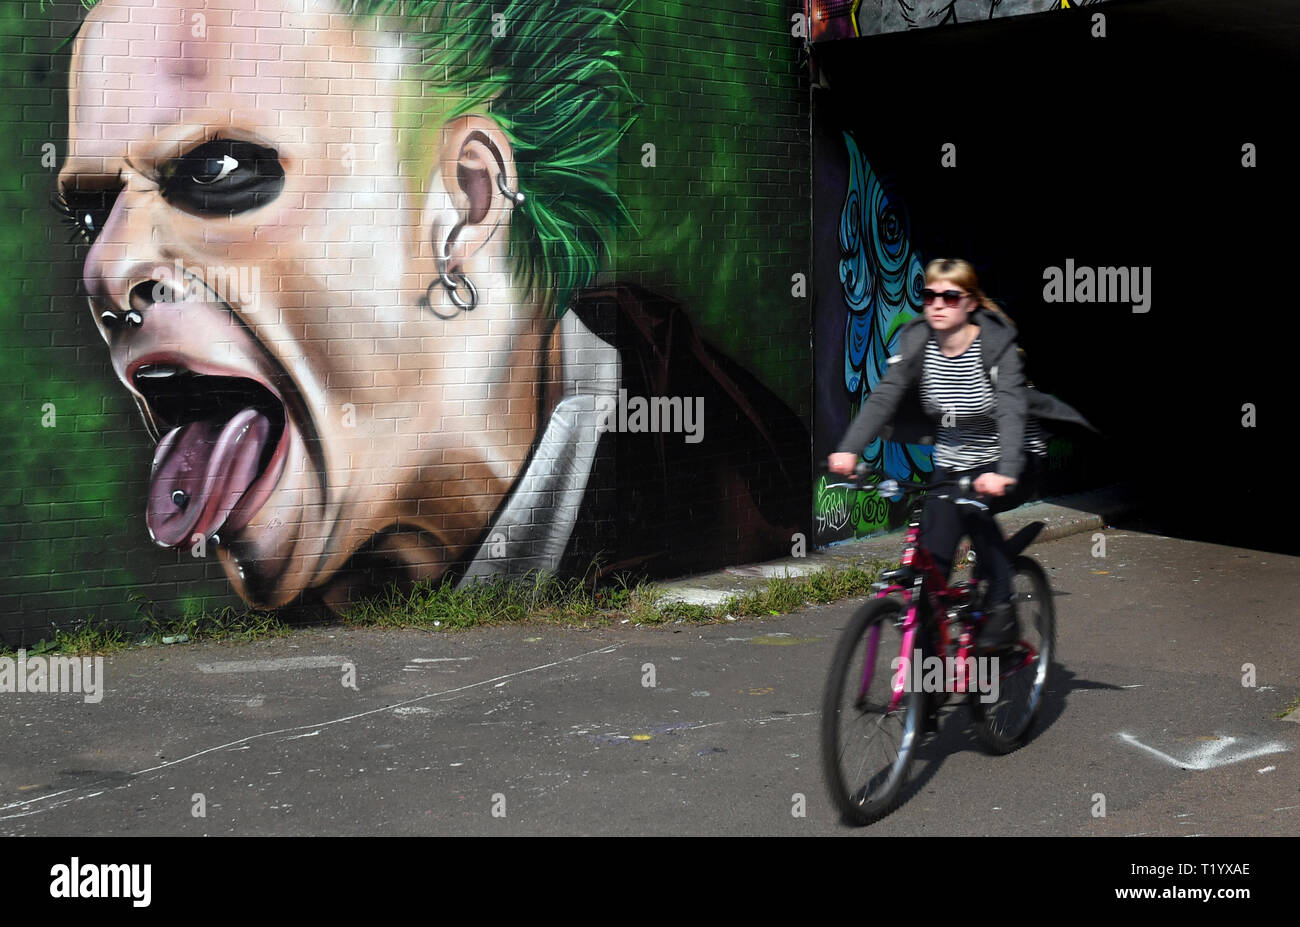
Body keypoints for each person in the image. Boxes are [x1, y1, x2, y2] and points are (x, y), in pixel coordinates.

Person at [52, 0, 808, 612]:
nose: (106, 265)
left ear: (469, 203)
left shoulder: (733, 488)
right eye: (94, 212)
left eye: (216, 169)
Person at [829, 258, 1093, 651]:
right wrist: (849, 449)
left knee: (973, 507)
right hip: (953, 464)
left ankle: (1002, 610)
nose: (937, 303)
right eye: (929, 294)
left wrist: (1004, 470)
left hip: (1012, 455)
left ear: (969, 303)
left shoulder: (994, 345)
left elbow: (1009, 408)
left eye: (950, 296)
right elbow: (886, 395)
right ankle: (927, 691)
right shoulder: (918, 340)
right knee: (931, 572)